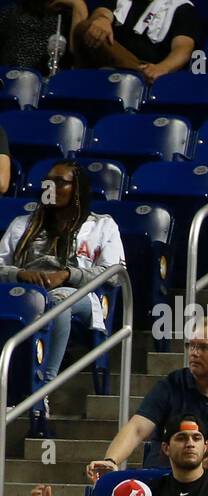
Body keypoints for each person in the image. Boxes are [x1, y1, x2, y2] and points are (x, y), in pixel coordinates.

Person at [0, 159, 124, 437]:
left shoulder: (103, 226)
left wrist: (68, 275)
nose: (51, 186)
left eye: (60, 181)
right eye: (48, 181)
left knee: (57, 300)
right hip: (25, 297)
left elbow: (113, 275)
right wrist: (20, 274)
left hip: (79, 297)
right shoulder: (23, 225)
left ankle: (40, 390)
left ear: (77, 188)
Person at [87, 321, 208, 476]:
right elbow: (137, 428)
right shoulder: (172, 384)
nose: (194, 353)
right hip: (163, 479)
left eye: (204, 347)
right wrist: (111, 460)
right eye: (191, 345)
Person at [74, 0, 197, 81]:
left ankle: (136, 74)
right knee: (85, 28)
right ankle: (134, 73)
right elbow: (102, 11)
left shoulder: (182, 8)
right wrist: (102, 20)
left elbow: (183, 48)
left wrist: (162, 68)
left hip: (148, 67)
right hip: (106, 58)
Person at [0, 0, 85, 73]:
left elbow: (77, 51)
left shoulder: (65, 16)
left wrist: (78, 5)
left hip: (52, 82)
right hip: (13, 79)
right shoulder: (13, 12)